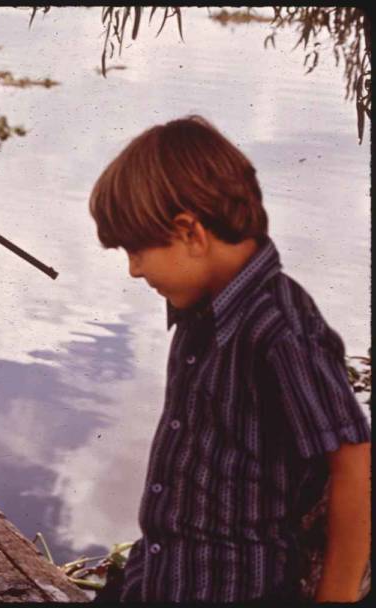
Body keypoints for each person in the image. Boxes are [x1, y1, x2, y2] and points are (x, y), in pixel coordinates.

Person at [87, 115, 371, 602]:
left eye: (137, 251)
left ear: (190, 233)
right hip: (165, 578)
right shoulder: (200, 308)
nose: (134, 270)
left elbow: (354, 459)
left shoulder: (279, 327)